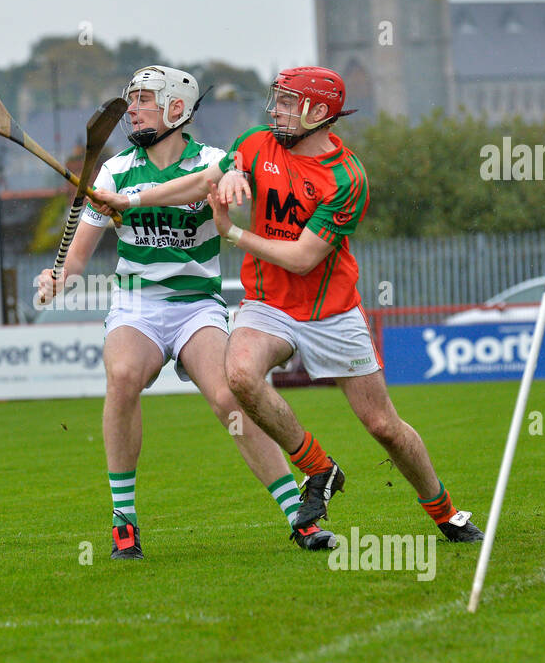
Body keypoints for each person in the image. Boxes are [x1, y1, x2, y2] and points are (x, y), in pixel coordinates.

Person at [39, 66, 336, 559]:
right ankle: (123, 520)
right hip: (137, 305)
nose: (131, 109)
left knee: (229, 396)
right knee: (124, 375)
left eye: (143, 100)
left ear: (176, 108)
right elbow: (77, 256)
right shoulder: (113, 171)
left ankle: (298, 517)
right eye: (129, 99)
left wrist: (231, 181)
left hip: (197, 305)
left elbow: (210, 184)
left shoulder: (214, 162)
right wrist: (57, 278)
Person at [207, 67, 483, 543]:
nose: (277, 110)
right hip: (267, 304)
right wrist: (230, 173)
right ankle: (318, 467)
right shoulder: (257, 142)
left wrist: (232, 232)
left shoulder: (347, 177)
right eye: (278, 100)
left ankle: (445, 512)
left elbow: (301, 258)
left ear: (318, 113)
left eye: (289, 103)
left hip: (332, 314)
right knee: (238, 377)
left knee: (384, 427)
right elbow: (227, 163)